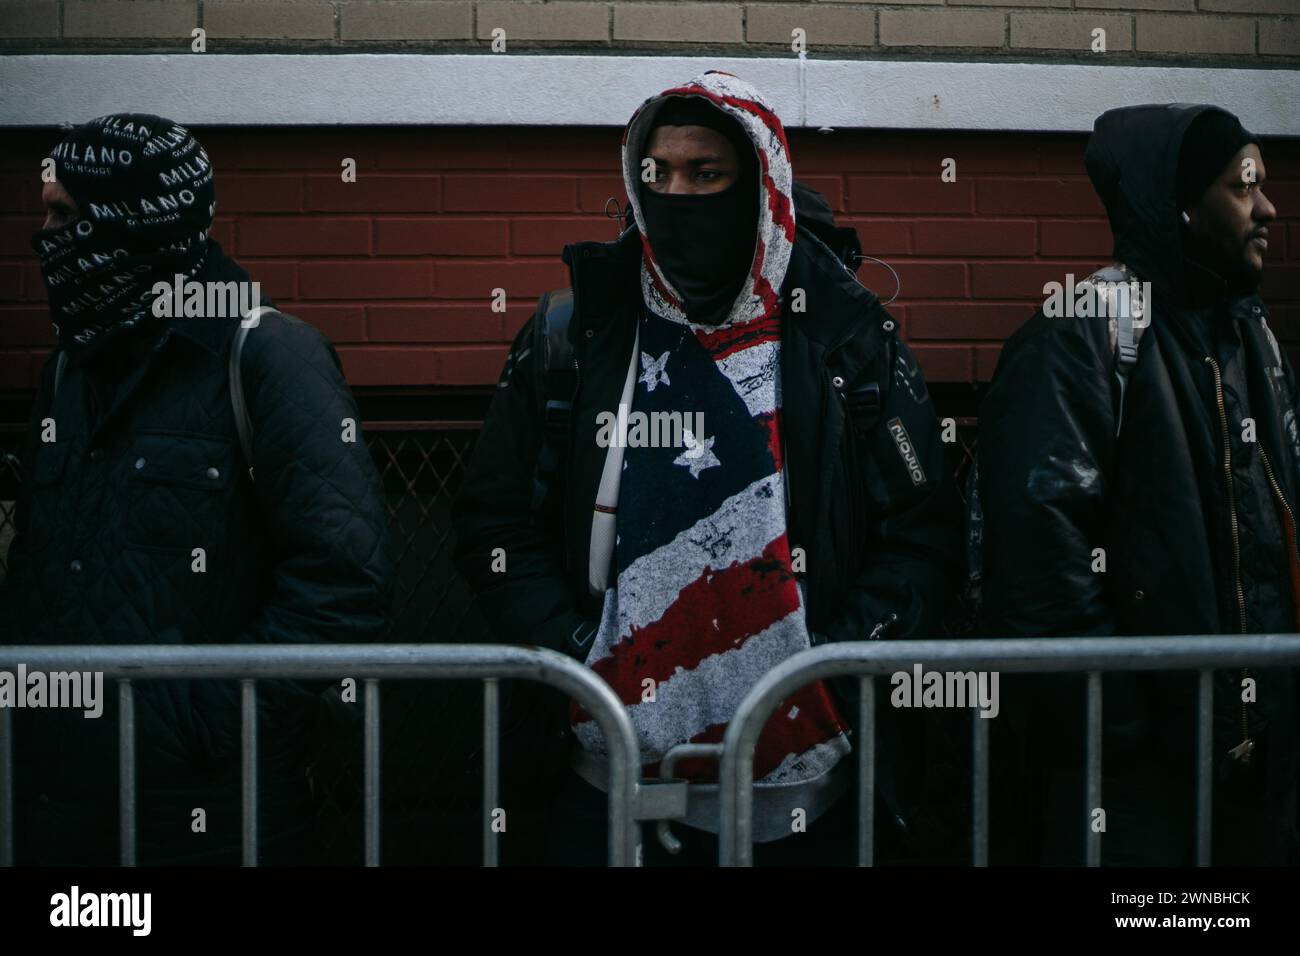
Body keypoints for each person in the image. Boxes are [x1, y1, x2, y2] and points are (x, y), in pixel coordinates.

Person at [453, 72, 958, 865]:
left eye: (707, 174)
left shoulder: (846, 339)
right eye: (659, 174)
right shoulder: (576, 334)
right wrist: (577, 652)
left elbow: (922, 535)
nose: (678, 194)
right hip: (604, 779)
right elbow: (493, 522)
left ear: (759, 182)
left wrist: (833, 665)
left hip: (806, 793)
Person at [1, 113, 391, 865]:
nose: (44, 238)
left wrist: (188, 721)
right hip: (56, 804)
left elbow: (344, 587)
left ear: (132, 222)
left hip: (210, 814)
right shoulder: (68, 369)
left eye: (64, 216)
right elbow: (42, 561)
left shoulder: (266, 356)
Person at [978, 104, 1297, 865]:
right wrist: (1128, 728)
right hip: (1132, 783)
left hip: (1253, 767)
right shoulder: (1084, 331)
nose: (1268, 208)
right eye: (1241, 186)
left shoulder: (1249, 335)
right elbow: (1040, 560)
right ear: (1179, 203)